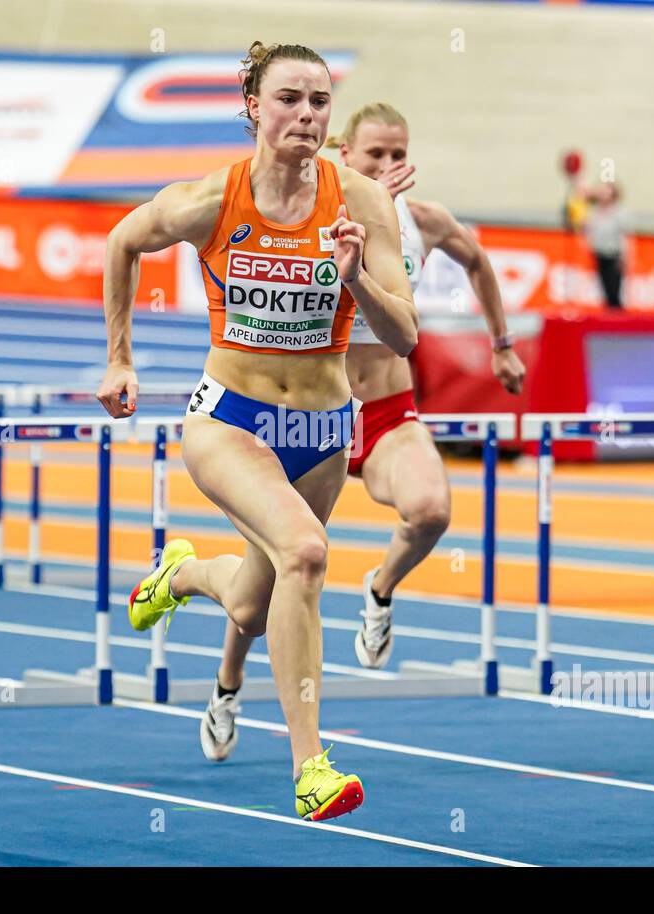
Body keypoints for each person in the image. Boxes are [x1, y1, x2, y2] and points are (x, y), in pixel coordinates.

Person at [98, 41, 417, 822]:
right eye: (289, 100)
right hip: (230, 419)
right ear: (253, 108)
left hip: (322, 427)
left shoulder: (363, 204)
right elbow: (122, 241)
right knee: (305, 553)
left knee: (249, 603)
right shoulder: (209, 199)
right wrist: (119, 358)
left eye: (318, 103)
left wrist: (356, 278)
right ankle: (312, 766)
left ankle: (179, 577)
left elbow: (405, 335)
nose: (306, 116)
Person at [198, 102, 525, 761]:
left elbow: (478, 263)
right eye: (374, 154)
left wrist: (502, 344)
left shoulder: (420, 221)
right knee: (257, 598)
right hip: (309, 419)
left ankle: (379, 589)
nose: (388, 166)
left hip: (383, 415)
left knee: (431, 509)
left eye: (398, 153)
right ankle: (227, 684)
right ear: (343, 154)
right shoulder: (309, 209)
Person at [583, 182, 631, 309]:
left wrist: (625, 257)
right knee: (604, 291)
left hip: (614, 256)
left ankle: (617, 321)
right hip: (600, 254)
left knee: (615, 291)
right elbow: (588, 228)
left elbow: (625, 236)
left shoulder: (619, 212)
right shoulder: (595, 211)